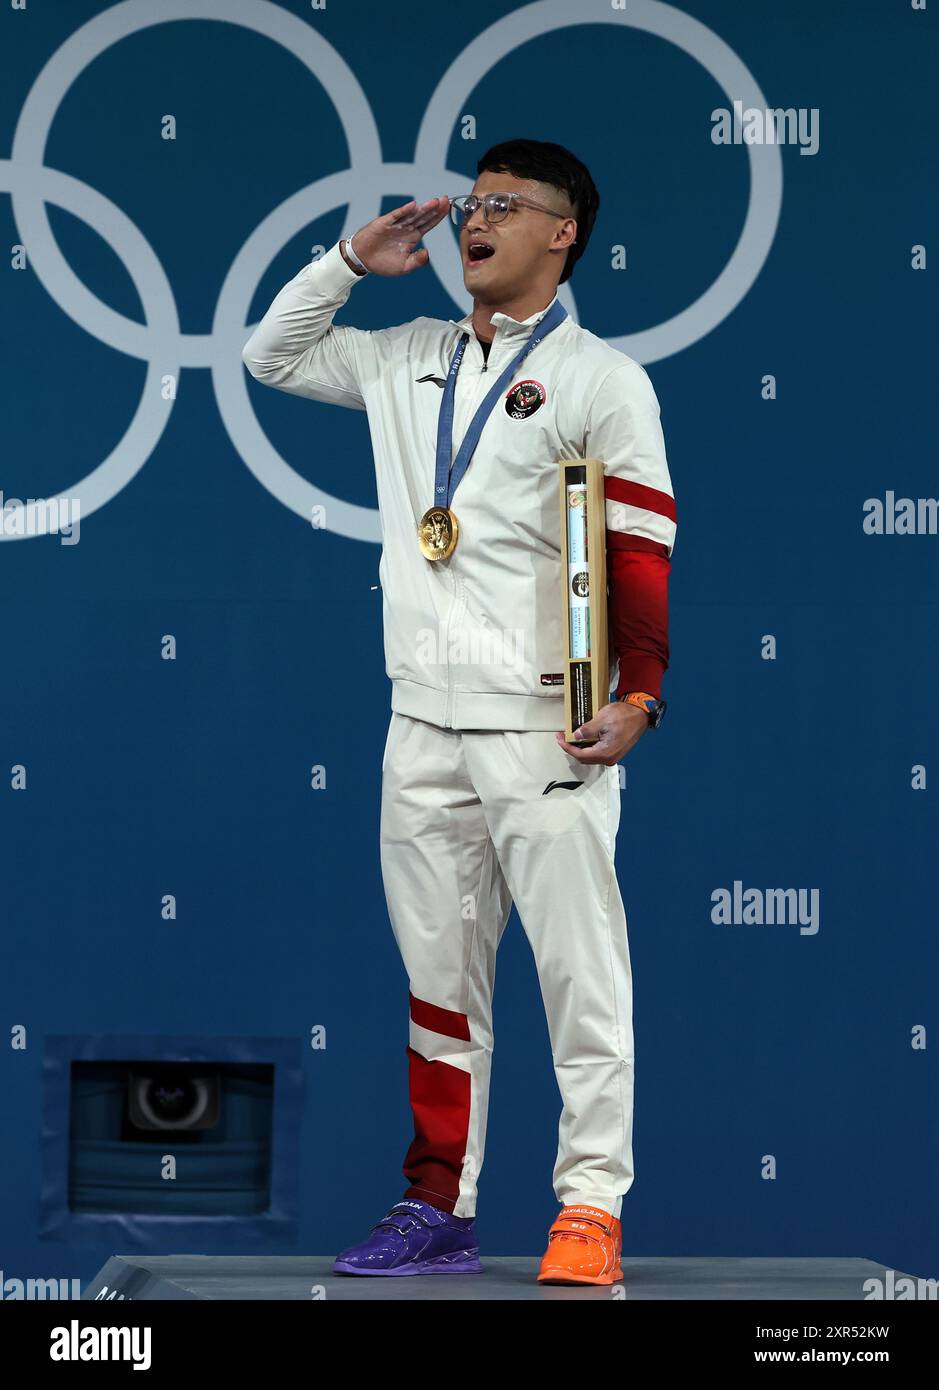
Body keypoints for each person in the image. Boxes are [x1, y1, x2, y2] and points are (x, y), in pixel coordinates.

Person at [242, 139, 676, 1285]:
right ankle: (439, 1202)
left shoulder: (602, 380)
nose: (477, 223)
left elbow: (640, 551)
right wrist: (347, 260)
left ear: (564, 231)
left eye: (507, 206)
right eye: (472, 204)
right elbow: (267, 353)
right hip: (421, 722)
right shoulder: (406, 360)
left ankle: (591, 1205)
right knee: (439, 980)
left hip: (551, 725)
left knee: (581, 974)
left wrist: (641, 694)